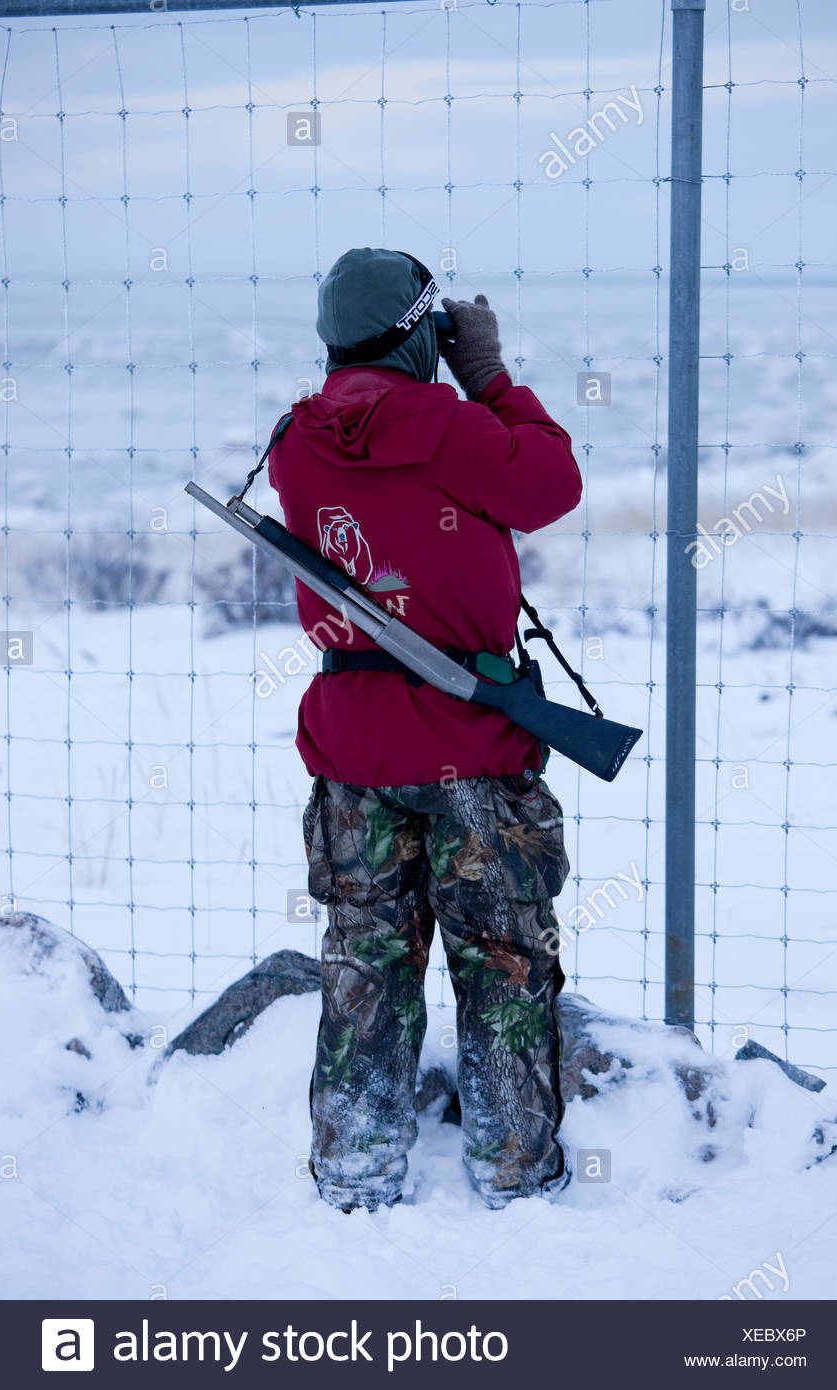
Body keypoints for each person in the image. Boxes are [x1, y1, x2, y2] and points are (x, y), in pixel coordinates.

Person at [267, 247, 582, 1212]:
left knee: (367, 960)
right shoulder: (449, 424)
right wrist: (487, 374)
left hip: (353, 749)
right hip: (474, 751)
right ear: (422, 336)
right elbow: (550, 486)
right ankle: (514, 1171)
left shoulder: (292, 444)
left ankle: (356, 1168)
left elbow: (372, 461)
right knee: (503, 962)